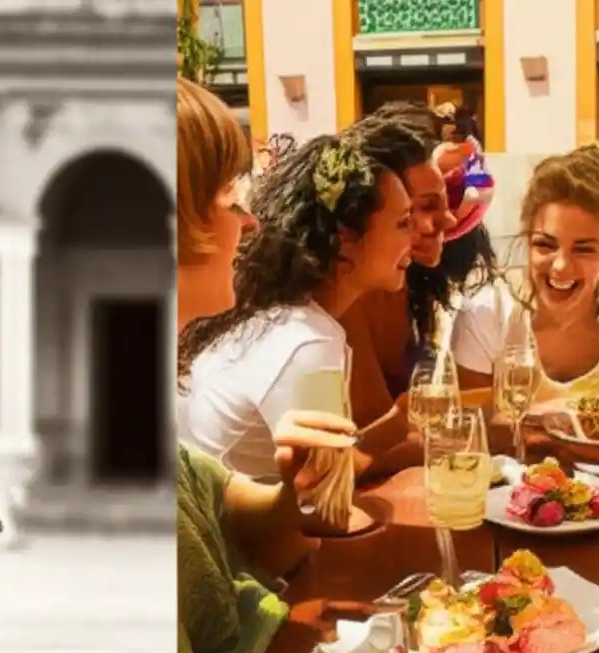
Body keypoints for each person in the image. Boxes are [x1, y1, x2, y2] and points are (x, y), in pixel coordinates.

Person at [175, 76, 357, 653]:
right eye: (224, 196)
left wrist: (293, 483)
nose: (248, 219)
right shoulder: (315, 340)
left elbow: (236, 507)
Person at [177, 118, 430, 481]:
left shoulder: (277, 316)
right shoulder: (308, 339)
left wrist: (397, 427)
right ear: (345, 240)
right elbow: (327, 504)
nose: (417, 235)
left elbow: (328, 470)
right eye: (403, 222)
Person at [451, 144, 599, 405]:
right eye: (545, 245)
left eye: (583, 249)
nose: (560, 266)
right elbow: (472, 427)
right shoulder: (486, 314)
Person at [338, 102, 498, 436]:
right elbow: (375, 435)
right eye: (426, 205)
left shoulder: (415, 280)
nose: (450, 218)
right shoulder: (345, 293)